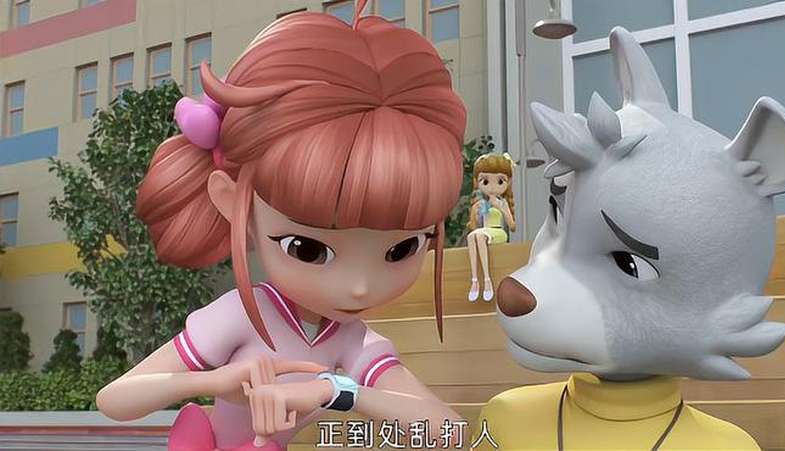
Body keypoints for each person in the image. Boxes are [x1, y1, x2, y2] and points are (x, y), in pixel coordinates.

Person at [95, 3, 467, 450]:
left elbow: (451, 432)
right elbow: (115, 399)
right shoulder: (244, 313)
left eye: (400, 248)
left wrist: (336, 391)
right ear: (231, 201)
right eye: (308, 248)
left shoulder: (350, 338)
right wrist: (216, 381)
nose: (360, 287)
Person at [466, 153, 516, 302]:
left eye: (500, 181)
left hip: (498, 232)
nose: (493, 187)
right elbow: (473, 227)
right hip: (485, 231)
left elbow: (512, 226)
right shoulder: (481, 203)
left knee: (479, 236)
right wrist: (475, 214)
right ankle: (475, 280)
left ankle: (487, 280)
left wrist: (500, 208)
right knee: (472, 236)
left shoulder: (502, 203)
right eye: (486, 181)